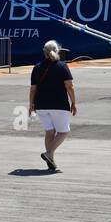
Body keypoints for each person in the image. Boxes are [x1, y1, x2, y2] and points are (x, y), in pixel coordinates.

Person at [29, 39, 76, 171]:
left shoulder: (37, 67)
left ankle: (51, 159)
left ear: (44, 53)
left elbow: (33, 89)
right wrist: (74, 102)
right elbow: (69, 86)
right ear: (57, 51)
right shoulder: (62, 66)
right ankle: (49, 153)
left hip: (41, 105)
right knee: (64, 131)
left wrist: (31, 104)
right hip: (59, 104)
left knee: (49, 132)